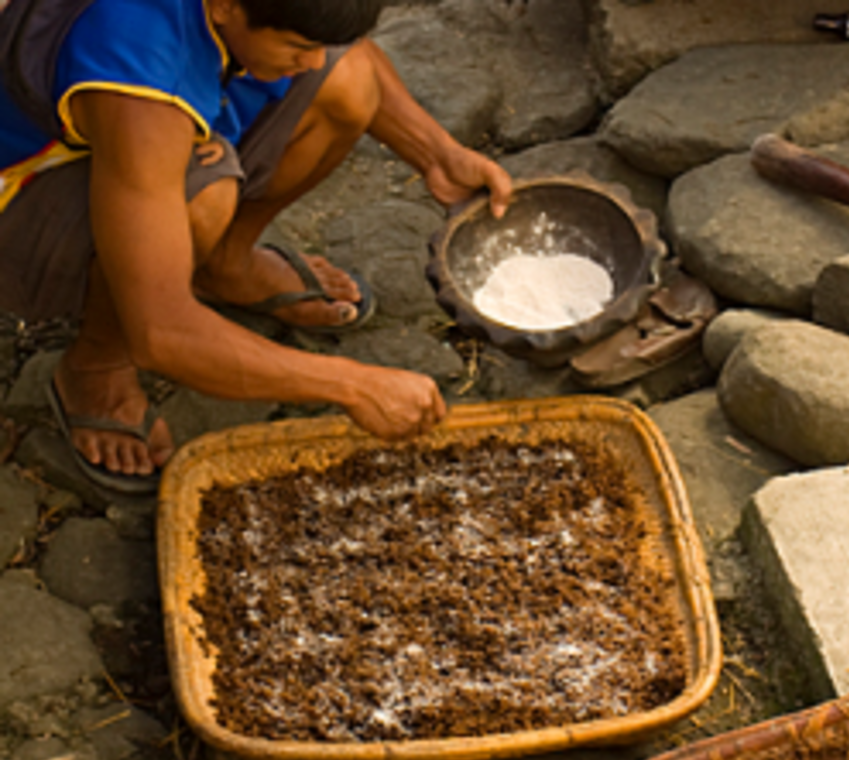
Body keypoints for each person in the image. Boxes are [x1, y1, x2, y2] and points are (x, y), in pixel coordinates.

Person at [0, 0, 513, 492]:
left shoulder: (232, 17)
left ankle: (225, 264)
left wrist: (438, 155)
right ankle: (96, 368)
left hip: (138, 118)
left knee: (347, 79)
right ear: (225, 5)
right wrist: (354, 386)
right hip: (21, 195)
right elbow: (161, 332)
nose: (311, 60)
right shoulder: (144, 88)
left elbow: (345, 53)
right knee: (201, 196)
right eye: (296, 45)